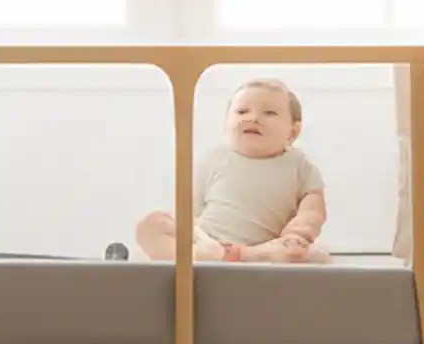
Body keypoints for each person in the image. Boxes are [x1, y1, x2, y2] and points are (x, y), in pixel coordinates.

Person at [135, 78, 329, 263]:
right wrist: (187, 233)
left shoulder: (299, 165)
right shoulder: (213, 158)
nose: (253, 118)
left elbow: (312, 210)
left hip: (269, 248)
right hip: (209, 243)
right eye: (242, 111)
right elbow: (190, 210)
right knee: (151, 225)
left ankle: (244, 255)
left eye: (269, 113)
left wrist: (296, 236)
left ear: (293, 132)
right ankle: (218, 256)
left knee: (316, 255)